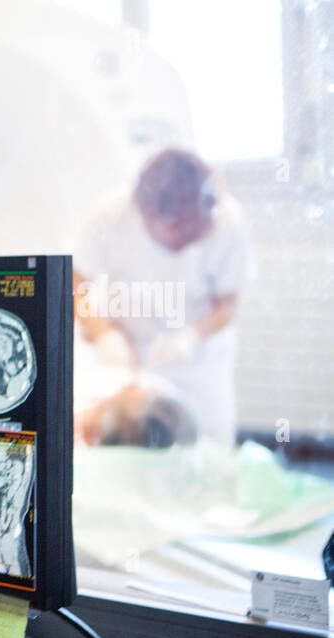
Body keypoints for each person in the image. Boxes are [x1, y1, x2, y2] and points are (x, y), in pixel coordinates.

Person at [73, 148, 254, 446]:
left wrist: (191, 336)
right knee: (118, 448)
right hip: (126, 356)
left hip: (198, 362)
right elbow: (75, 286)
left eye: (197, 225)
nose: (189, 234)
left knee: (210, 452)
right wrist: (105, 334)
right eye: (178, 227)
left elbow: (227, 304)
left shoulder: (227, 221)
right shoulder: (111, 216)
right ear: (145, 213)